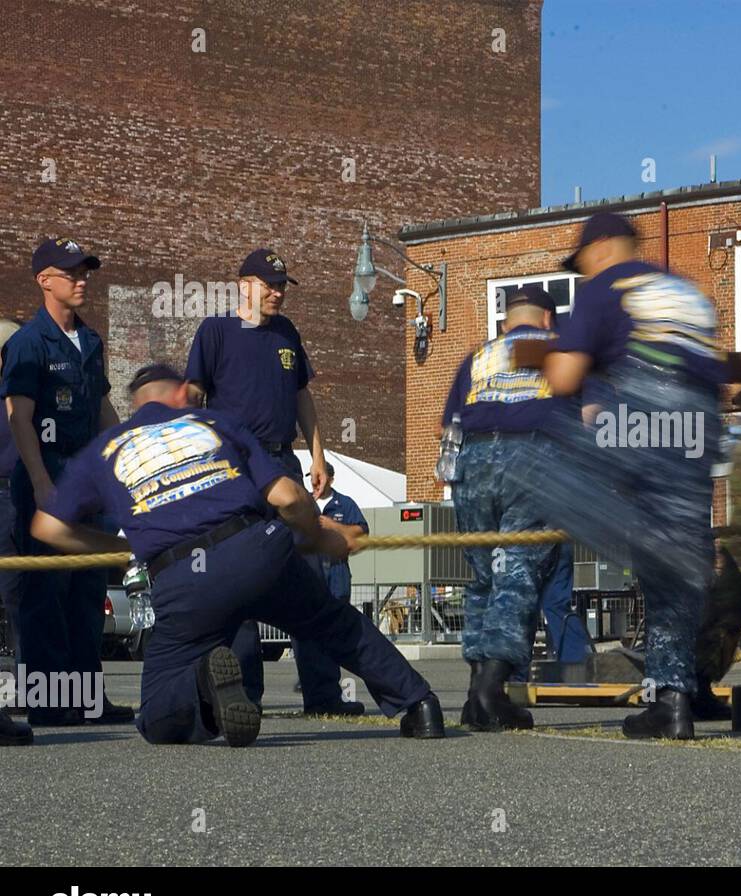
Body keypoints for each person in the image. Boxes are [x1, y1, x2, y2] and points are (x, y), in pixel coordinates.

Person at [30, 364, 445, 747]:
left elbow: (47, 527)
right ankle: (420, 705)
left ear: (134, 406)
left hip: (184, 580)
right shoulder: (216, 423)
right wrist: (320, 536)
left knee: (156, 712)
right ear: (179, 396)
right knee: (333, 623)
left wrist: (122, 550)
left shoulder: (106, 449)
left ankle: (202, 686)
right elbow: (288, 497)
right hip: (257, 549)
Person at [524, 212, 724, 740]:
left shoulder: (604, 287)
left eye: (584, 257)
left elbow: (565, 378)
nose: (584, 268)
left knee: (540, 463)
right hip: (700, 426)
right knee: (676, 570)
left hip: (645, 415)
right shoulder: (687, 290)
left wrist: (550, 364)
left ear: (606, 247)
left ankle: (613, 525)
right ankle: (673, 697)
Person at [184, 249, 360, 716]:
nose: (278, 292)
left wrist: (318, 454)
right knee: (239, 576)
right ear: (243, 284)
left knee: (310, 574)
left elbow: (302, 395)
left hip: (284, 464)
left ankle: (323, 694)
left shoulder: (286, 333)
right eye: (269, 284)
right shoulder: (215, 331)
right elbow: (195, 397)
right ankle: (244, 698)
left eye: (282, 285)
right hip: (235, 469)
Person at [0, 238, 132, 726]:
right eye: (71, 272)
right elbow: (19, 416)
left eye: (85, 272)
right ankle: (50, 703)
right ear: (44, 280)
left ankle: (87, 699)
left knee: (85, 593)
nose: (82, 280)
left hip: (86, 484)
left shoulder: (91, 342)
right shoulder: (27, 344)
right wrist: (38, 480)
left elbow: (101, 407)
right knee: (44, 596)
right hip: (46, 481)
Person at [442, 287, 567, 730]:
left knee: (482, 578)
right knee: (519, 573)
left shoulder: (479, 357)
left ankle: (474, 695)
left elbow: (450, 423)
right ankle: (492, 690)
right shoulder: (560, 348)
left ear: (504, 322)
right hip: (531, 456)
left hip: (472, 460)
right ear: (549, 319)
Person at [0, 319, 32, 746]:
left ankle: (23, 689)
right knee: (14, 597)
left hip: (17, 494)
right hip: (7, 493)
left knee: (19, 597)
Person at [317, 462, 368, 604]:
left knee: (339, 613)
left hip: (337, 568)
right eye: (314, 477)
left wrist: (333, 525)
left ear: (331, 480)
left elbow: (361, 531)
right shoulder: (305, 502)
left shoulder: (345, 504)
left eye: (321, 477)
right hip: (312, 567)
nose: (316, 481)